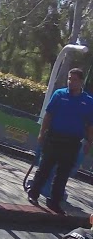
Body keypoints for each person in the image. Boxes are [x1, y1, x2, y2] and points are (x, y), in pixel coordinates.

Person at [27, 68, 93, 215]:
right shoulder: (59, 94)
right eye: (69, 79)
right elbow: (48, 115)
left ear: (81, 81)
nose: (71, 82)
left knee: (62, 174)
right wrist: (41, 133)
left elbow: (90, 124)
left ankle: (54, 202)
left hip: (72, 143)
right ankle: (34, 193)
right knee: (44, 168)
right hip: (54, 138)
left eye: (74, 79)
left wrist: (89, 142)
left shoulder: (88, 101)